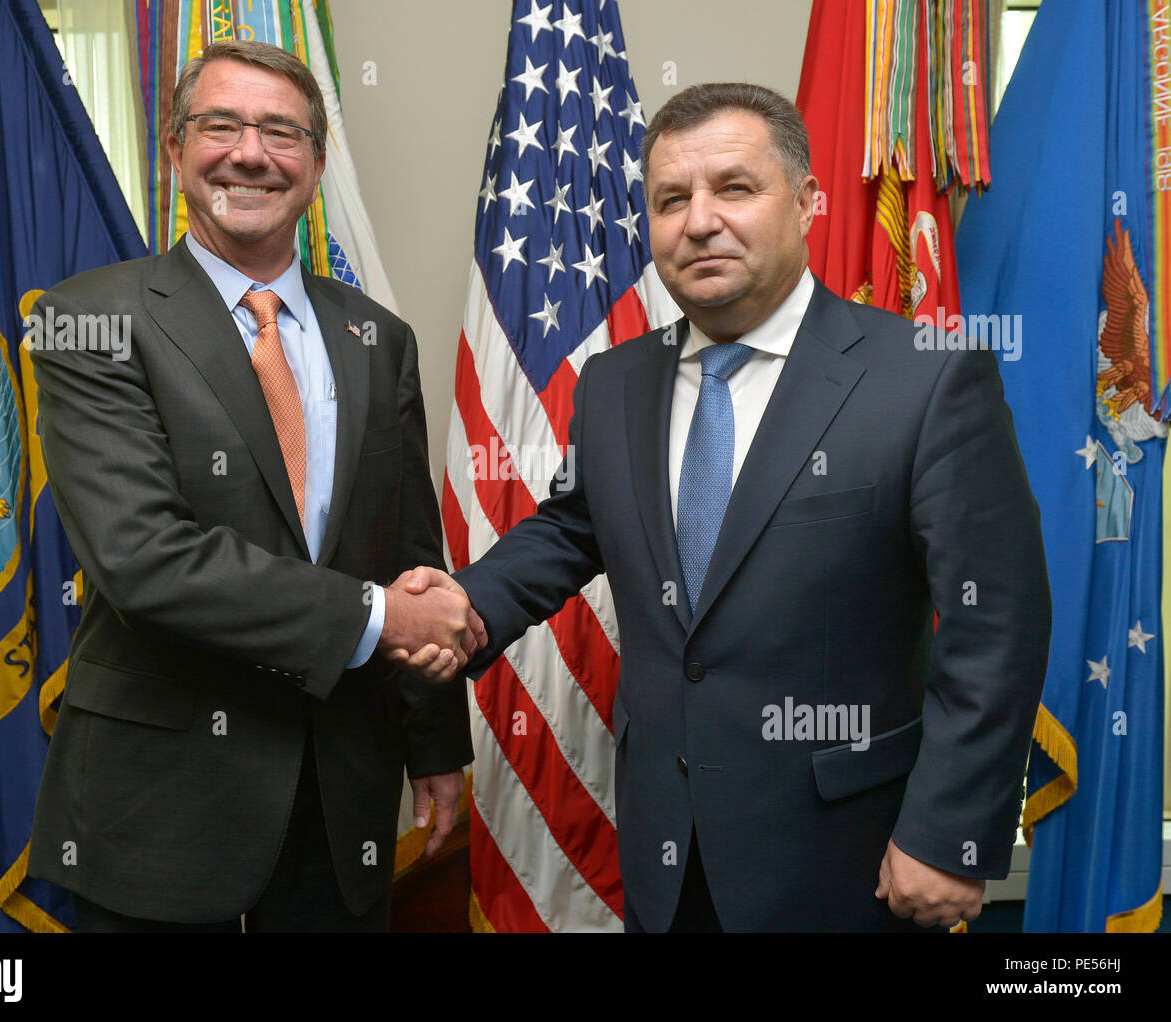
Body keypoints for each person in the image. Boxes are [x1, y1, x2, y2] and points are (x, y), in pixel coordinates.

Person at [397, 82, 1051, 932]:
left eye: (735, 188)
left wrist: (952, 833)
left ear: (810, 202)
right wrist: (468, 604)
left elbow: (997, 620)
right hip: (665, 851)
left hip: (849, 860)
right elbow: (574, 527)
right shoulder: (615, 382)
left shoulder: (926, 378)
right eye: (671, 200)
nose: (699, 221)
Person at [26, 39, 482, 932]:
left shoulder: (376, 338)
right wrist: (383, 617)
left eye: (282, 132)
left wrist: (434, 743)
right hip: (159, 805)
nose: (249, 153)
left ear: (315, 163)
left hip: (340, 794)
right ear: (175, 148)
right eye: (220, 125)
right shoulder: (91, 321)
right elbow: (144, 559)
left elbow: (409, 552)